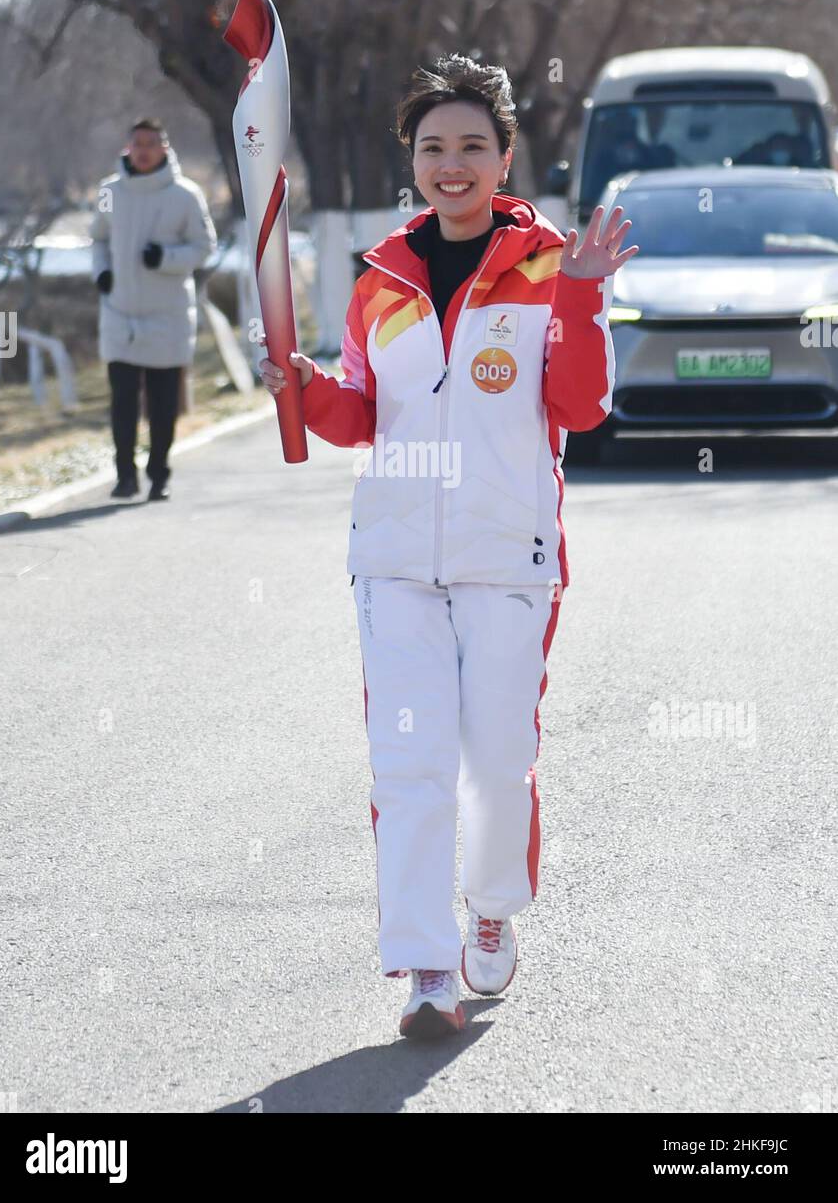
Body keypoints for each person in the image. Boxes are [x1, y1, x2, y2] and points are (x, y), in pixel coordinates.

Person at [259, 55, 638, 1040]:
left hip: (507, 556)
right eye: (435, 147)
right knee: (409, 760)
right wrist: (302, 387)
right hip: (393, 559)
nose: (453, 163)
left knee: (496, 757)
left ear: (505, 154)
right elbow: (361, 415)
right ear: (414, 161)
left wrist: (587, 299)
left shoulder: (553, 267)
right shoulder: (377, 280)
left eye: (473, 144)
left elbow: (579, 407)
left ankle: (488, 911)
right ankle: (427, 966)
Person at [90, 118, 217, 501]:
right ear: (128, 148)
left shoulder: (184, 194)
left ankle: (159, 472)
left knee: (163, 404)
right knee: (122, 401)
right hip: (119, 310)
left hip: (168, 315)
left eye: (151, 143)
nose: (143, 150)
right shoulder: (109, 192)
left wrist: (165, 257)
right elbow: (96, 238)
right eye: (137, 143)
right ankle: (124, 475)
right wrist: (103, 273)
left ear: (165, 148)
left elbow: (204, 247)